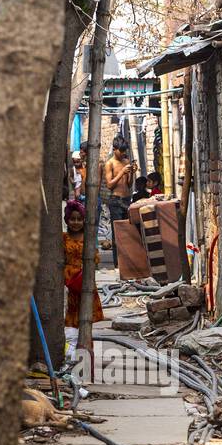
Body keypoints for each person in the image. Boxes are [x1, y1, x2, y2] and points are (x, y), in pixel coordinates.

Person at [63, 199, 103, 329]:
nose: (75, 222)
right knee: (71, 321)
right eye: (72, 219)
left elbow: (96, 258)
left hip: (85, 280)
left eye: (79, 219)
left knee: (86, 319)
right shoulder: (63, 237)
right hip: (69, 282)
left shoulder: (88, 237)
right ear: (66, 220)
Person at [104, 135, 135, 266]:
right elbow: (110, 185)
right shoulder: (109, 163)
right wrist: (122, 172)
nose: (123, 154)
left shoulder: (126, 161)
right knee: (117, 232)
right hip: (115, 200)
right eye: (121, 151)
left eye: (124, 151)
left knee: (128, 231)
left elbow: (129, 184)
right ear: (115, 149)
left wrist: (132, 172)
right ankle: (118, 264)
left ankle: (128, 262)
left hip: (127, 199)